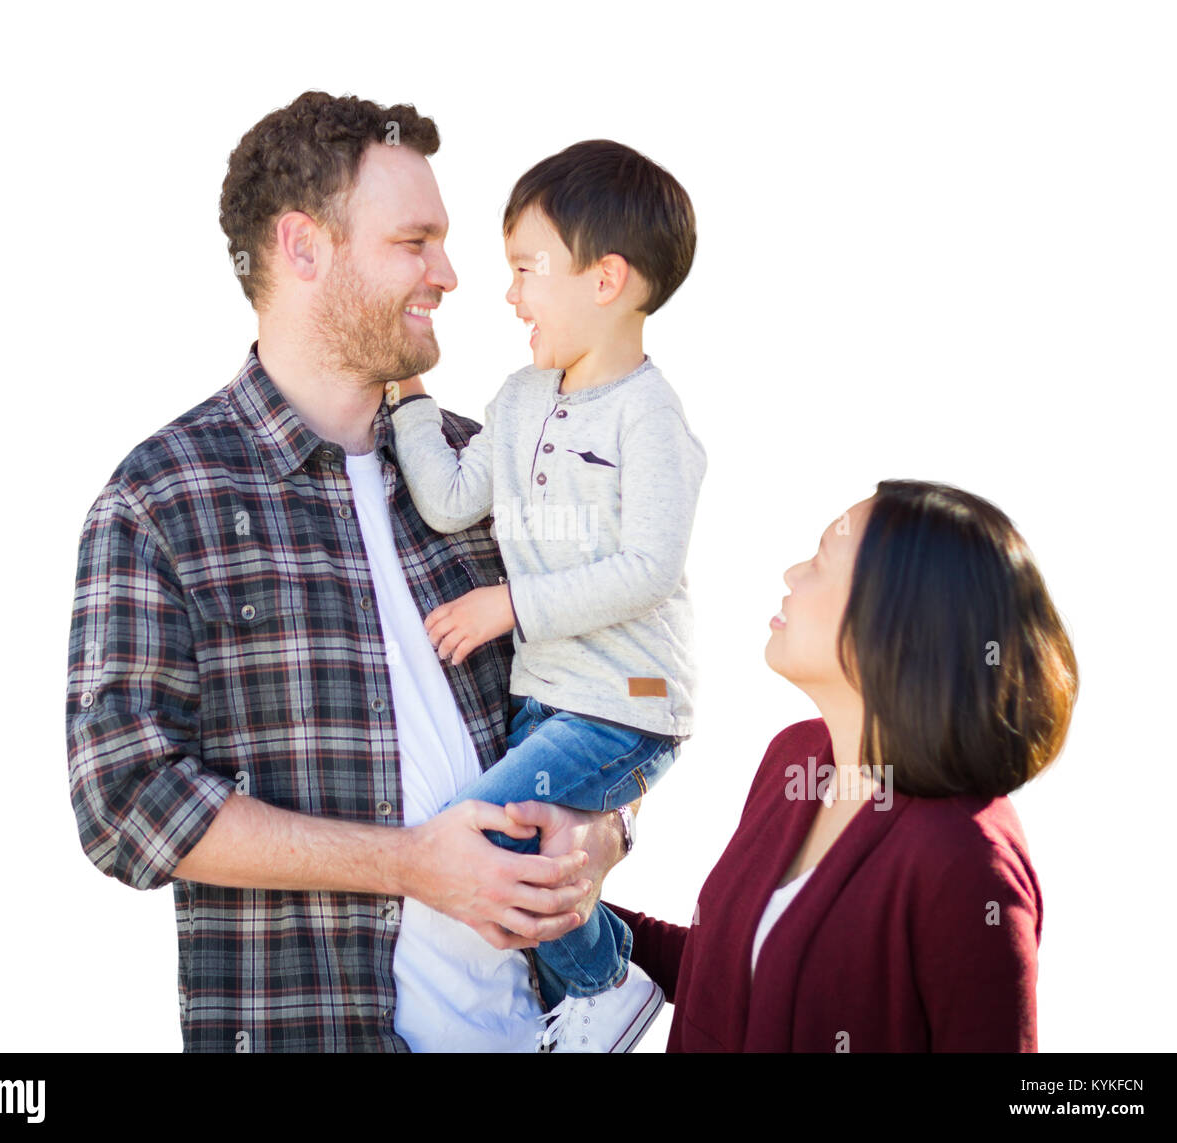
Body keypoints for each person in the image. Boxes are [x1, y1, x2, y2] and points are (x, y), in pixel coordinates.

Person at [65, 91, 634, 1053]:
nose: (450, 273)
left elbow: (629, 681)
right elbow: (123, 802)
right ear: (302, 248)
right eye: (415, 240)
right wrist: (412, 863)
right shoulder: (162, 499)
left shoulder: (497, 470)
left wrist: (603, 830)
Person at [384, 139, 705, 1052]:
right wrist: (408, 396)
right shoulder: (521, 399)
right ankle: (596, 982)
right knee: (529, 854)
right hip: (549, 698)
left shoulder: (651, 418)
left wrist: (511, 606)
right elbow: (449, 498)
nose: (511, 294)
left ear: (605, 280)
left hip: (630, 704)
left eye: (527, 269)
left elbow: (647, 564)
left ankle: (608, 982)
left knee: (479, 833)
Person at [605, 481, 1079, 1051]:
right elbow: (733, 975)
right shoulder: (794, 758)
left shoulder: (969, 862)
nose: (793, 574)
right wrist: (569, 912)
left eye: (823, 560)